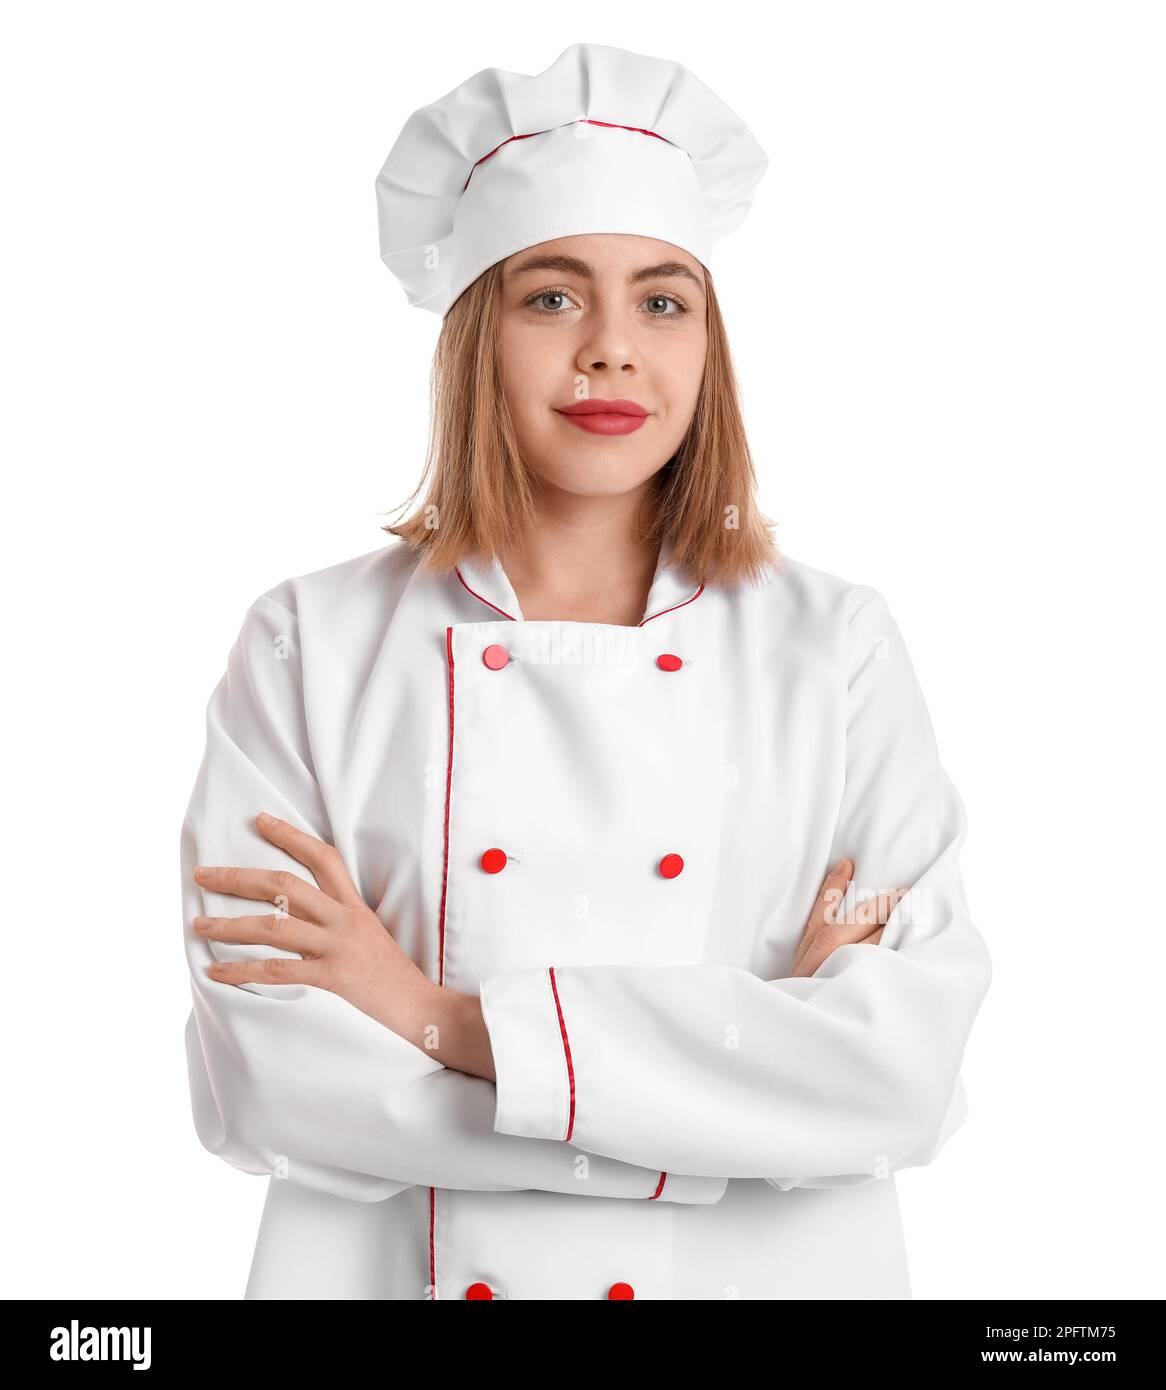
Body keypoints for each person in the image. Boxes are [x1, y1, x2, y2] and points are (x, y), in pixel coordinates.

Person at [181, 41, 992, 1301]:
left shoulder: (832, 649)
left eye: (663, 301)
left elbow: (900, 1074)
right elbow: (276, 1080)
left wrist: (433, 1016)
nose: (611, 349)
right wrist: (734, 1091)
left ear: (707, 345)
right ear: (472, 337)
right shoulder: (309, 643)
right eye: (551, 297)